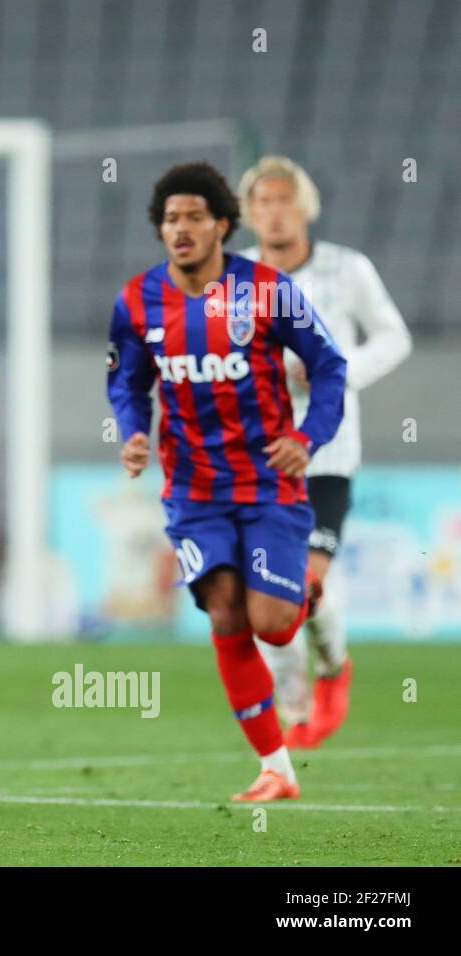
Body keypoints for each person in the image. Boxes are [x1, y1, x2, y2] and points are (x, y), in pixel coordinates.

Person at [106, 161, 346, 802]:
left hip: (269, 487)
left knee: (272, 625)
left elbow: (329, 367)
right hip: (193, 494)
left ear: (222, 225)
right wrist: (133, 430)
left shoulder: (267, 291)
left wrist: (305, 439)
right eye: (169, 219)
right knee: (224, 613)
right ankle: (277, 768)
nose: (179, 230)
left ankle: (303, 595)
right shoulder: (137, 300)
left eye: (193, 217)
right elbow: (128, 379)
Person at [239, 156, 412, 748]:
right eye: (262, 201)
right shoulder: (235, 281)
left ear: (305, 206)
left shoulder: (347, 269)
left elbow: (394, 335)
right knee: (265, 590)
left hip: (327, 451)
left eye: (284, 198)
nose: (274, 210)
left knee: (305, 582)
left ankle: (334, 668)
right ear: (248, 212)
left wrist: (339, 371)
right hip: (257, 456)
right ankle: (294, 704)